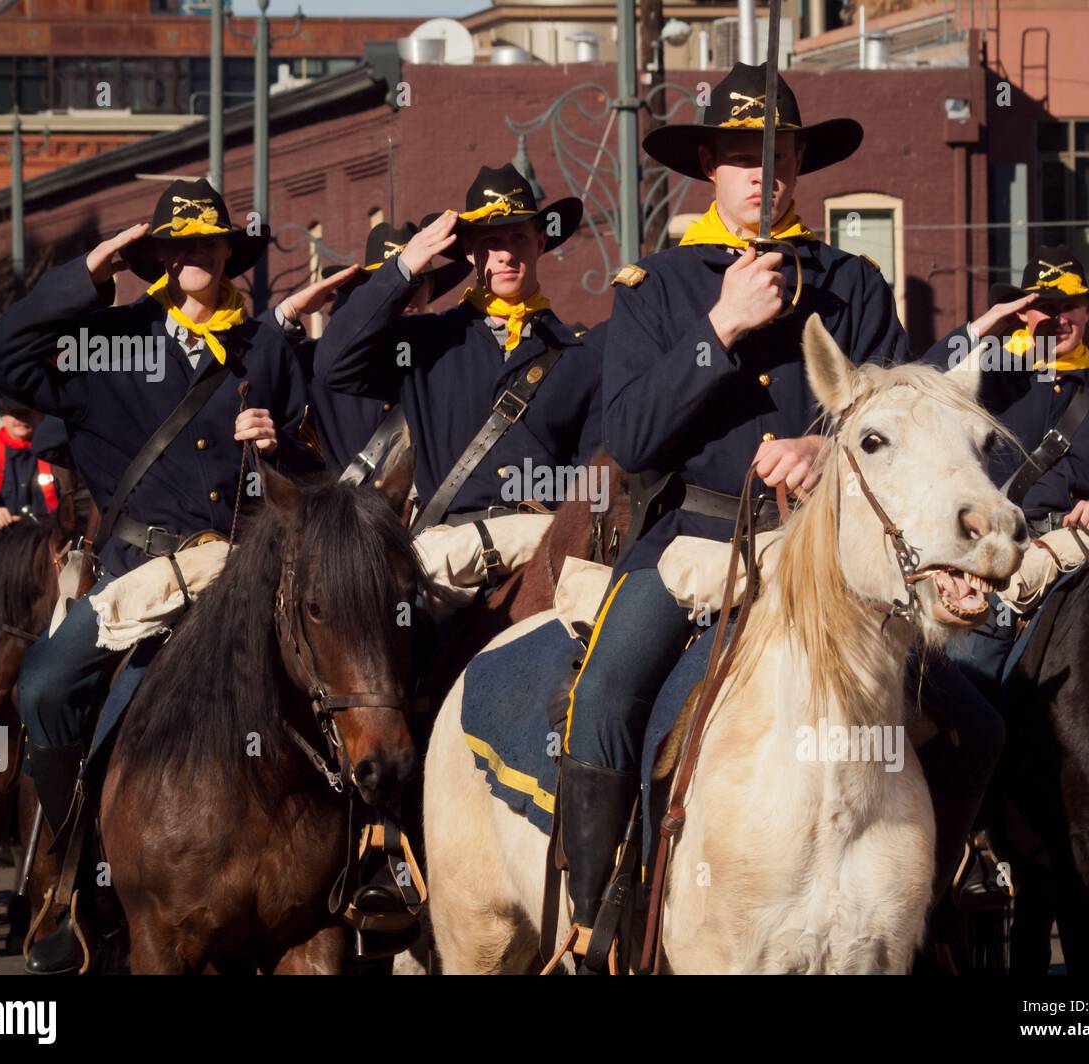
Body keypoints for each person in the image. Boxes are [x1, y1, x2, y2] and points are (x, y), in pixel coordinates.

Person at [558, 62, 1005, 971]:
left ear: (801, 163)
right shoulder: (659, 287)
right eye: (739, 155)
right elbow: (632, 441)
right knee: (606, 699)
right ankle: (598, 913)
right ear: (709, 170)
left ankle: (940, 898)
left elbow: (898, 421)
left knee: (981, 722)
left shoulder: (855, 283)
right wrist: (717, 329)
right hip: (694, 544)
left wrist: (823, 448)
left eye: (781, 153)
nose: (764, 173)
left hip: (830, 557)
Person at [0, 177, 314, 975]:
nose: (195, 254)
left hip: (248, 573)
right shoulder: (109, 341)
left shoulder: (266, 345)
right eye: (177, 243)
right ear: (154, 256)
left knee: (357, 677)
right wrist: (87, 271)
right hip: (140, 578)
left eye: (208, 240)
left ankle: (372, 864)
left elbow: (319, 469)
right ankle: (70, 874)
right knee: (45, 688)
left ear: (232, 249)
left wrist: (279, 450)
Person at [313, 164, 602, 530]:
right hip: (451, 551)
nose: (505, 255)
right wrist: (401, 271)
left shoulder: (582, 358)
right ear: (470, 253)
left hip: (541, 548)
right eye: (490, 243)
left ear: (541, 242)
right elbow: (333, 364)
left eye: (518, 238)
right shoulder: (428, 342)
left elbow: (595, 478)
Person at [932, 247, 1089, 694]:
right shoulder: (988, 375)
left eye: (1068, 306)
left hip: (1083, 559)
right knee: (973, 682)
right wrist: (981, 328)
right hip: (997, 559)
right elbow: (915, 384)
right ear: (1024, 314)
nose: (1059, 319)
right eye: (1044, 308)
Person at [277, 220, 471, 474]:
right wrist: (288, 312)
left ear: (431, 287)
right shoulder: (321, 362)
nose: (405, 293)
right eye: (388, 281)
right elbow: (251, 365)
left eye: (417, 279)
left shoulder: (451, 356)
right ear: (364, 294)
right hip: (351, 510)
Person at [0, 396, 63, 538]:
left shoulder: (58, 454)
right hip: (1, 536)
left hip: (47, 535)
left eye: (27, 413)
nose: (21, 419)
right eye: (15, 414)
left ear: (40, 416)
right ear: (4, 416)